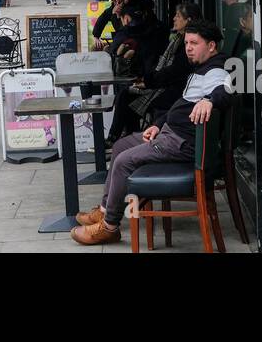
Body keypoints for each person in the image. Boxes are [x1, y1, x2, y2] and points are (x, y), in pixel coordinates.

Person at [71, 20, 232, 245]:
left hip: (180, 143)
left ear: (212, 46)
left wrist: (210, 101)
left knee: (124, 161)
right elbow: (182, 104)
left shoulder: (216, 70)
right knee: (120, 146)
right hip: (169, 133)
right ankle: (105, 209)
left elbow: (225, 91)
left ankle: (109, 227)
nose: (188, 47)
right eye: (186, 42)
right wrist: (157, 124)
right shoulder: (200, 69)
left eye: (194, 43)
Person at [108, 1, 203, 142]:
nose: (174, 18)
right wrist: (147, 79)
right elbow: (163, 65)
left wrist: (148, 81)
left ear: (189, 20)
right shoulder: (176, 39)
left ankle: (125, 138)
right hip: (163, 82)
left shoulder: (188, 43)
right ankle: (123, 137)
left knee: (132, 99)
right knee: (126, 94)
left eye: (178, 16)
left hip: (175, 88)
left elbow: (174, 71)